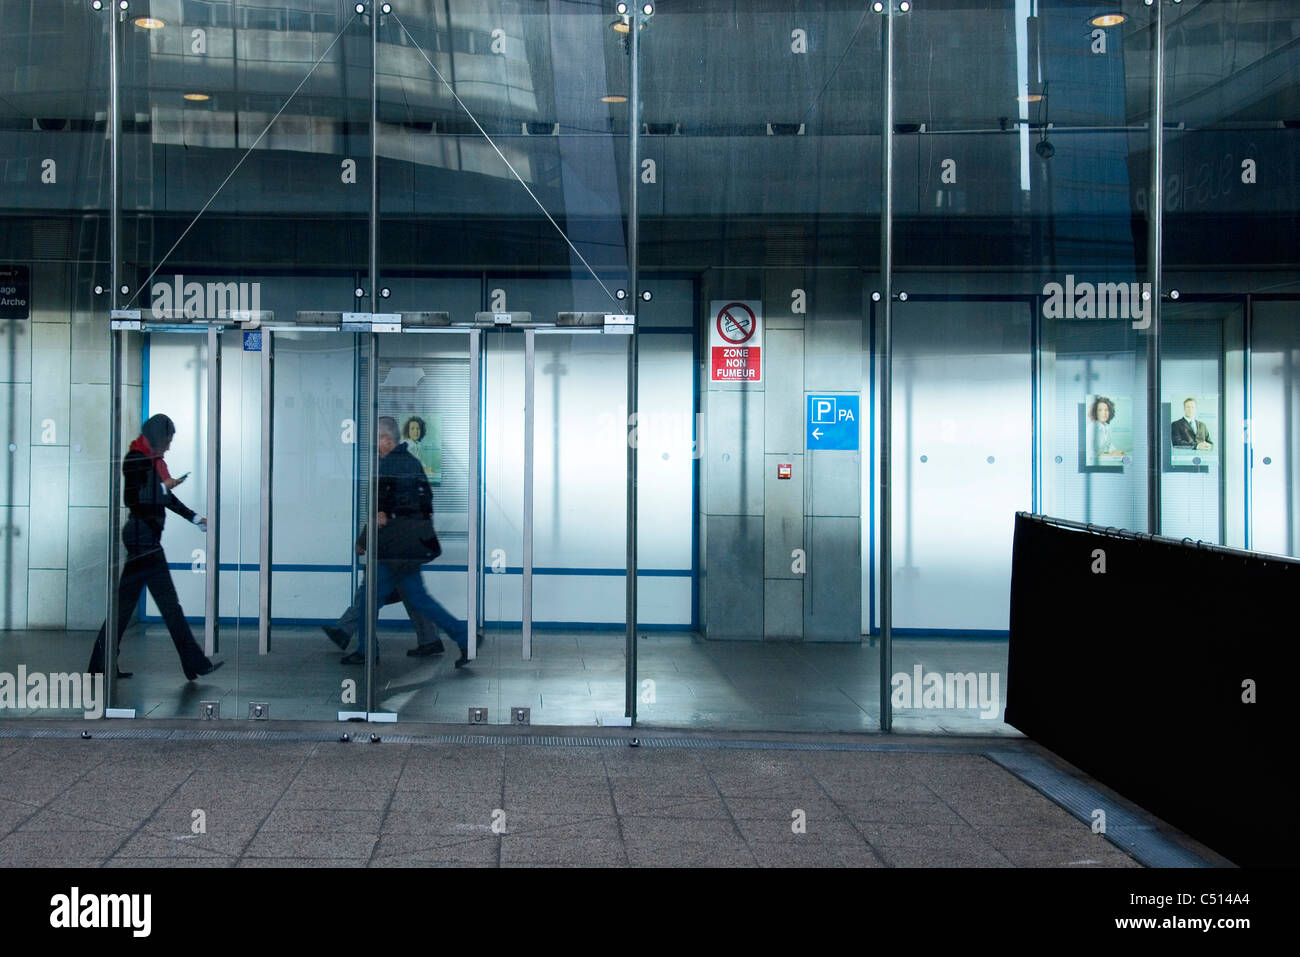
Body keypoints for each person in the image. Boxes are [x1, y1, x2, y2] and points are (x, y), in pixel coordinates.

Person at [87, 414, 223, 681]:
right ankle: (194, 662)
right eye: (168, 440)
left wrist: (195, 518)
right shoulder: (136, 460)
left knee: (123, 607)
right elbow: (133, 499)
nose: (170, 445)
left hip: (144, 539)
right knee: (169, 603)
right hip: (143, 540)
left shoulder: (150, 461)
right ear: (158, 437)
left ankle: (98, 666)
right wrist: (162, 487)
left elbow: (165, 497)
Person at [329, 416, 471, 667]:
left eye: (377, 440)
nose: (375, 445)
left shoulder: (397, 464)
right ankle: (464, 639)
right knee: (418, 599)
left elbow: (405, 504)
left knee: (367, 600)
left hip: (394, 548)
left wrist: (387, 514)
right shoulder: (403, 462)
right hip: (401, 547)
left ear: (387, 439)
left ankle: (367, 651)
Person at [1087, 396, 1125, 462]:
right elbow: (1089, 453)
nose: (1104, 413)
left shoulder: (1106, 426)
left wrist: (1116, 452)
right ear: (1095, 412)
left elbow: (1109, 445)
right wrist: (1110, 455)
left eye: (1106, 410)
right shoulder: (1091, 428)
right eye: (1100, 410)